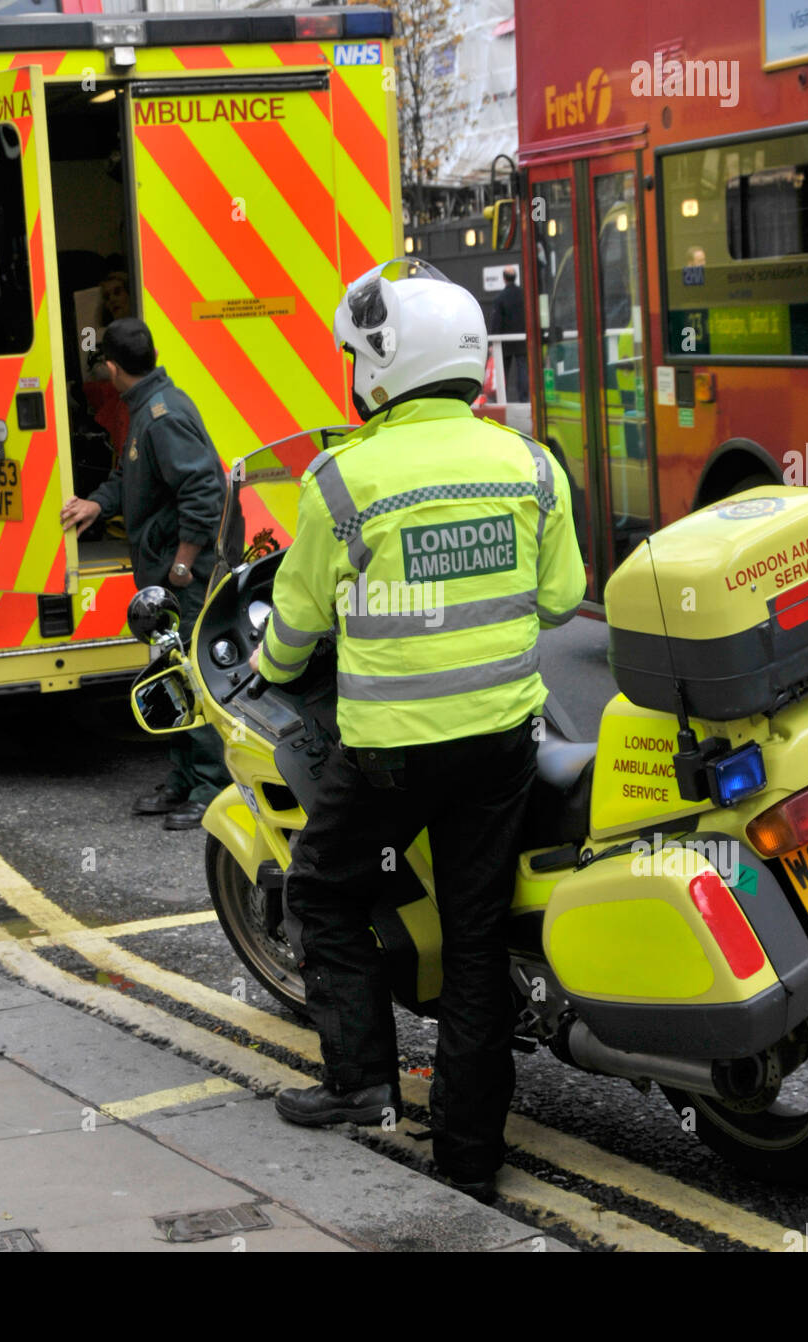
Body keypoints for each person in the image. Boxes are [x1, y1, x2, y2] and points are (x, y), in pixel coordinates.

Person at [248, 259, 585, 1200]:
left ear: (380, 365)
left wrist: (269, 672)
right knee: (475, 942)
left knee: (321, 889)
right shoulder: (528, 462)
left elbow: (299, 620)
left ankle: (361, 1085)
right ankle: (470, 1160)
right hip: (503, 748)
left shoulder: (344, 480)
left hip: (392, 756)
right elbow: (562, 600)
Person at [61, 318, 232, 829]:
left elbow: (205, 491)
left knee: (191, 678)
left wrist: (181, 566)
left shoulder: (161, 416)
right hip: (162, 582)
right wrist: (97, 505)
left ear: (113, 368)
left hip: (181, 580)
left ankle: (212, 789)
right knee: (168, 676)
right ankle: (183, 779)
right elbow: (128, 477)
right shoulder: (145, 410)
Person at [488, 265, 528, 401]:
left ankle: (502, 398)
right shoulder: (524, 295)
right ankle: (524, 398)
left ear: (504, 279)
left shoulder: (500, 298)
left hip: (505, 341)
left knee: (503, 370)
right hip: (522, 339)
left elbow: (496, 321)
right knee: (522, 368)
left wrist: (492, 341)